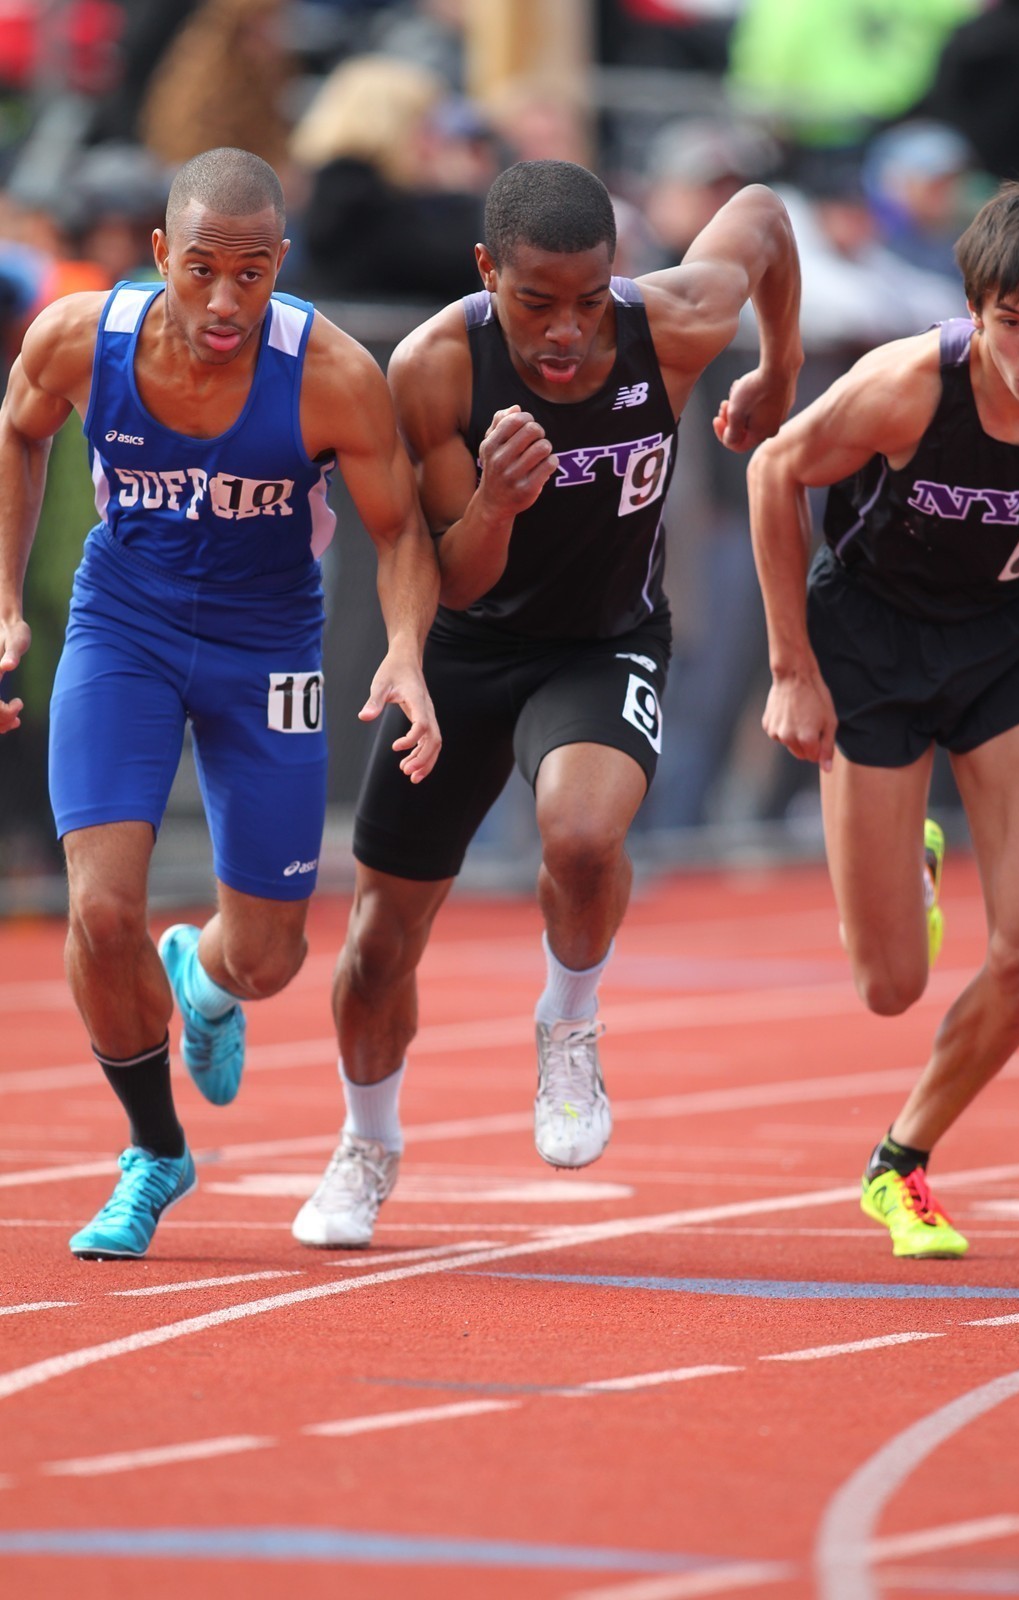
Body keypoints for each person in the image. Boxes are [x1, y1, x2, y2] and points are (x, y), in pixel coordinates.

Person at [291, 157, 803, 1248]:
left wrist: (778, 368)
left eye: (587, 299)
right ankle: (366, 1143)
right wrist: (496, 502)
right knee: (378, 943)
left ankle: (567, 1024)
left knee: (578, 834)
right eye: (535, 303)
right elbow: (451, 579)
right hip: (468, 648)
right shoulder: (434, 368)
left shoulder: (669, 325)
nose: (565, 331)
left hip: (605, 641)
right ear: (487, 271)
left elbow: (760, 217)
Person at [0, 146, 441, 1260]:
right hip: (124, 626)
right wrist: (4, 601)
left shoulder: (331, 373)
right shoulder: (79, 337)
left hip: (268, 647)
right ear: (161, 254)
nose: (226, 302)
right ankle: (154, 1151)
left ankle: (202, 978)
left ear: (281, 263)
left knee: (270, 959)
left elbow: (397, 530)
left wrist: (404, 650)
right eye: (202, 270)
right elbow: (19, 430)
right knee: (101, 912)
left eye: (252, 274)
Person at [745, 178, 1019, 1259]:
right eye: (1012, 324)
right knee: (887, 986)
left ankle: (900, 1159)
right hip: (869, 646)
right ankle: (907, 862)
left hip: (1005, 645)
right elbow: (773, 469)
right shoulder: (905, 387)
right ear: (973, 313)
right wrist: (791, 669)